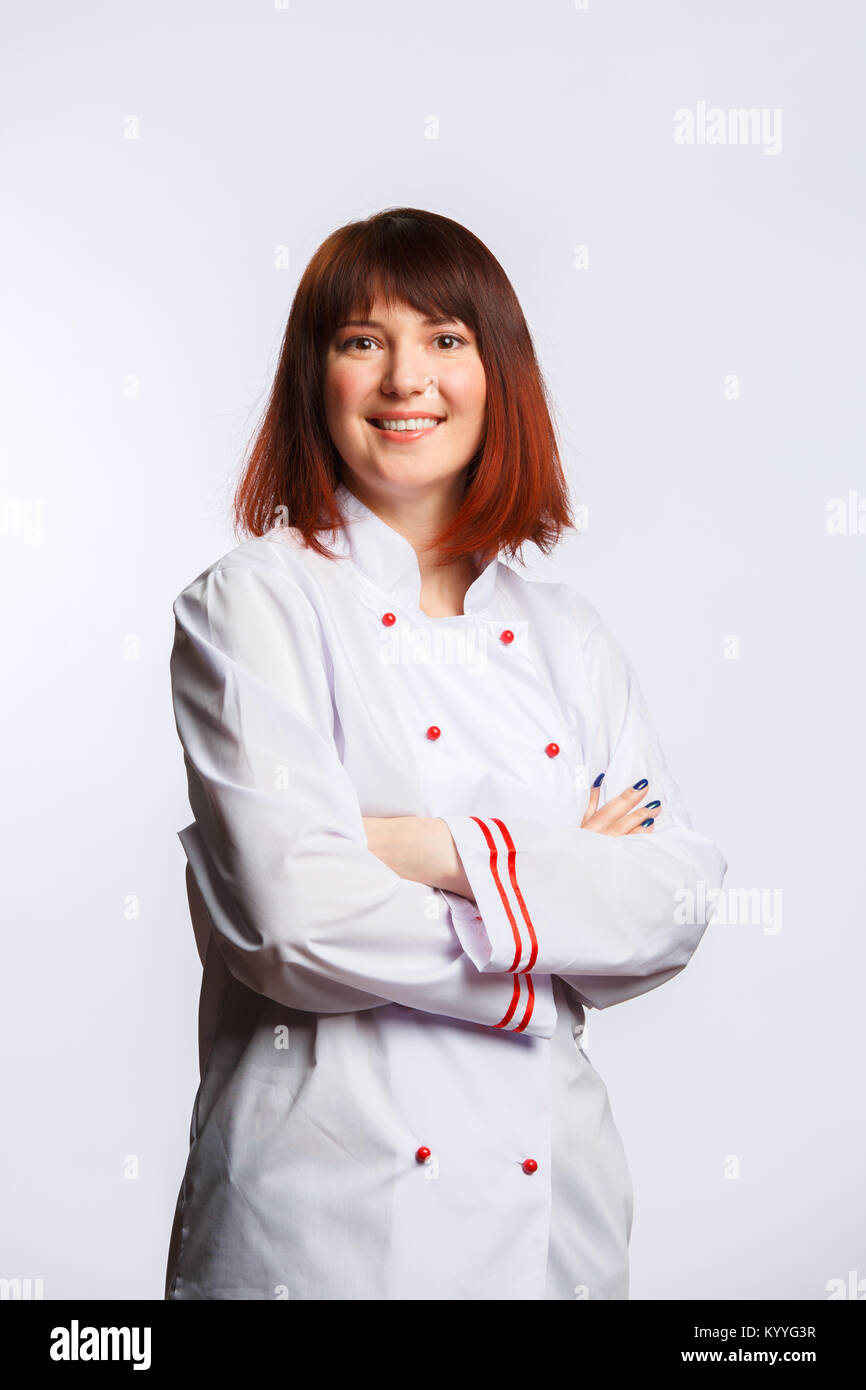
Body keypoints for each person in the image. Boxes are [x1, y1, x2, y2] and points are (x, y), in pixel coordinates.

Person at [163, 206, 727, 1301]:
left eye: (445, 341)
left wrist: (420, 846)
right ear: (313, 377)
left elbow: (671, 898)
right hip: (318, 1223)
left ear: (495, 374)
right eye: (361, 341)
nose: (403, 379)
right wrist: (547, 903)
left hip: (550, 1221)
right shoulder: (252, 605)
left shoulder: (571, 637)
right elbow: (290, 920)